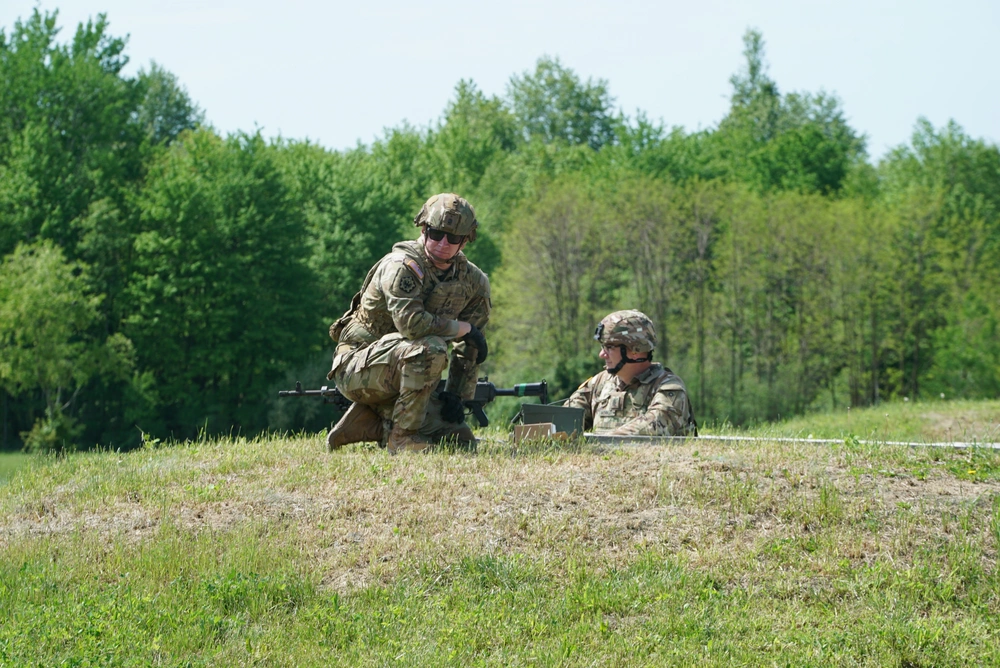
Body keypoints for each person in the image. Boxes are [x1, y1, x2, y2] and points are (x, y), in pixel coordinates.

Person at [325, 193, 491, 453]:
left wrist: (457, 397)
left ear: (465, 240)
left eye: (454, 238)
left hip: (409, 372)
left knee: (460, 440)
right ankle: (402, 438)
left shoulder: (473, 282)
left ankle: (368, 423)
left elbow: (469, 346)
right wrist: (462, 329)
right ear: (424, 229)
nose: (443, 243)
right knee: (430, 348)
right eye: (436, 233)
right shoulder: (401, 266)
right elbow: (411, 325)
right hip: (358, 366)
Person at [566, 310, 697, 436]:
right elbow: (562, 420)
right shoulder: (599, 383)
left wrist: (599, 442)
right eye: (602, 347)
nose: (602, 354)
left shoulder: (669, 388)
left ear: (635, 350)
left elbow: (654, 428)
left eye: (609, 347)